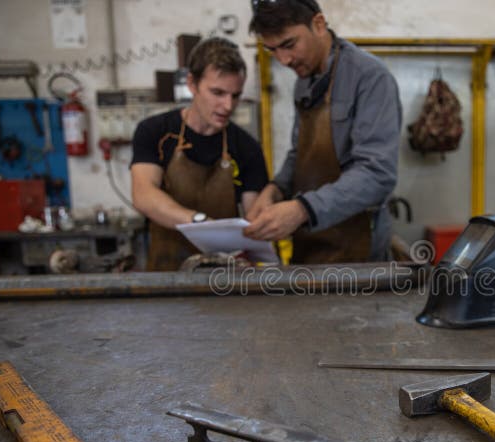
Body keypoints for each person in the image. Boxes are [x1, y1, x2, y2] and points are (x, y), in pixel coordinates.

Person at [244, 0, 402, 263]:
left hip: (358, 244)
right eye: (272, 50)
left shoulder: (370, 78)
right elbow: (299, 153)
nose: (283, 60)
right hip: (312, 240)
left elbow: (377, 174)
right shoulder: (304, 81)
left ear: (318, 24)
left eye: (289, 44)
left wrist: (302, 209)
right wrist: (276, 189)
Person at [131, 37, 269, 271]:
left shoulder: (247, 147)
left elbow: (253, 216)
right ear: (192, 84)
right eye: (217, 92)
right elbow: (144, 195)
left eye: (235, 95)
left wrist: (256, 235)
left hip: (224, 283)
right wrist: (200, 223)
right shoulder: (155, 132)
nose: (228, 106)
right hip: (165, 278)